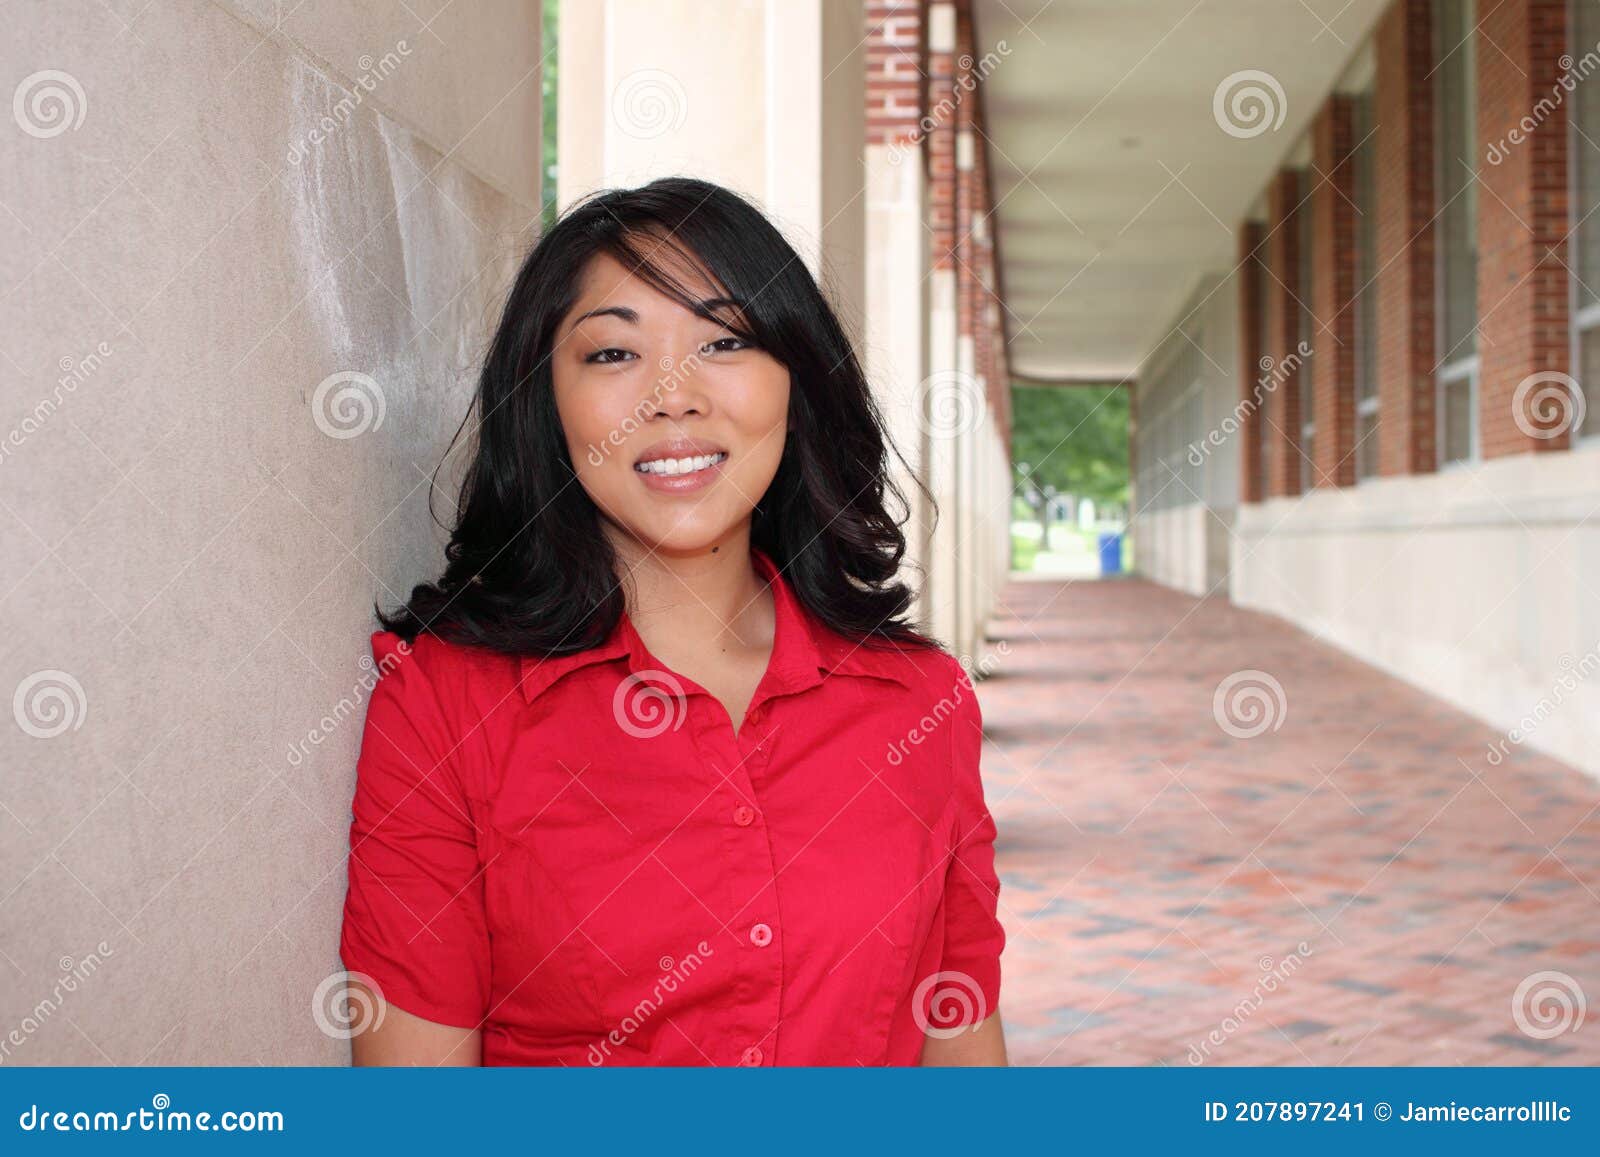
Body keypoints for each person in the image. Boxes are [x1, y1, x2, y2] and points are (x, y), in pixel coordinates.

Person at [337, 176, 1006, 1066]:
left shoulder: (919, 703)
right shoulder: (445, 708)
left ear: (797, 384)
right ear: (547, 402)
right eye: (613, 354)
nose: (674, 397)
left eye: (726, 340)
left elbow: (961, 1053)